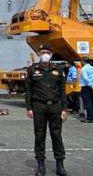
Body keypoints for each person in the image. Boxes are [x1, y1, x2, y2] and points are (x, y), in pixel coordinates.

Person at [25, 44, 68, 176]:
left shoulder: (58, 70)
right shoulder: (32, 70)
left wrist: (64, 108)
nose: (45, 54)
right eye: (43, 52)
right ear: (39, 53)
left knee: (57, 135)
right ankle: (40, 165)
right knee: (39, 135)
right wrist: (29, 107)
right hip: (39, 106)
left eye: (48, 52)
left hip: (55, 106)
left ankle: (60, 165)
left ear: (51, 54)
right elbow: (28, 90)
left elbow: (62, 91)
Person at [79, 58, 93, 123]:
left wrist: (91, 85)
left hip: (86, 87)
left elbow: (86, 78)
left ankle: (90, 118)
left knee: (88, 103)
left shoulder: (84, 69)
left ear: (83, 61)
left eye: (81, 61)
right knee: (92, 102)